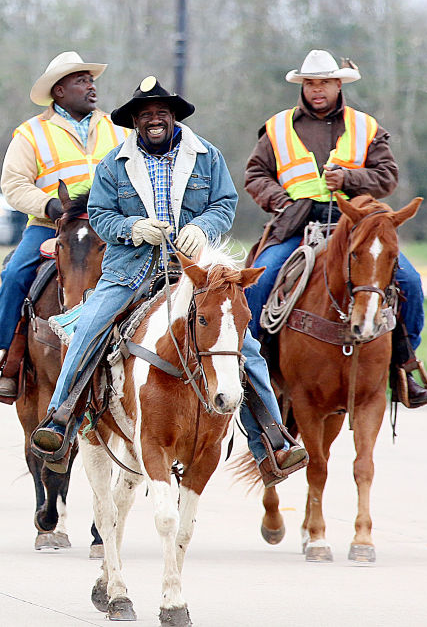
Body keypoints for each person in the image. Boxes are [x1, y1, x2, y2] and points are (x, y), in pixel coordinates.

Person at [30, 77, 308, 487]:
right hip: (130, 270)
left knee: (243, 347)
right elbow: (102, 215)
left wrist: (203, 227)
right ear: (136, 122)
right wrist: (133, 226)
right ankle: (60, 420)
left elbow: (224, 204)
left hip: (194, 271)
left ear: (174, 116)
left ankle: (271, 442)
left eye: (161, 113)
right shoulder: (113, 164)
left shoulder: (206, 156)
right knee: (89, 327)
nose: (154, 120)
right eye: (145, 116)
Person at [243, 50, 427, 408]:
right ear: (302, 86)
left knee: (410, 281)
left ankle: (404, 365)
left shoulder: (366, 127)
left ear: (338, 85)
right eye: (312, 83)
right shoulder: (277, 127)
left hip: (359, 227)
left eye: (326, 83)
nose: (318, 90)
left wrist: (349, 178)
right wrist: (280, 201)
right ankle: (250, 369)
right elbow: (255, 174)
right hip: (298, 225)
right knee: (259, 283)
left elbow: (388, 176)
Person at [0, 52, 129, 399]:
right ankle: (12, 355)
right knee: (15, 274)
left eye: (91, 80)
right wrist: (50, 206)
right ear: (60, 90)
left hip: (108, 225)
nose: (90, 86)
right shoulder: (30, 132)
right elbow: (14, 184)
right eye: (81, 81)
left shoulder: (119, 128)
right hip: (51, 224)